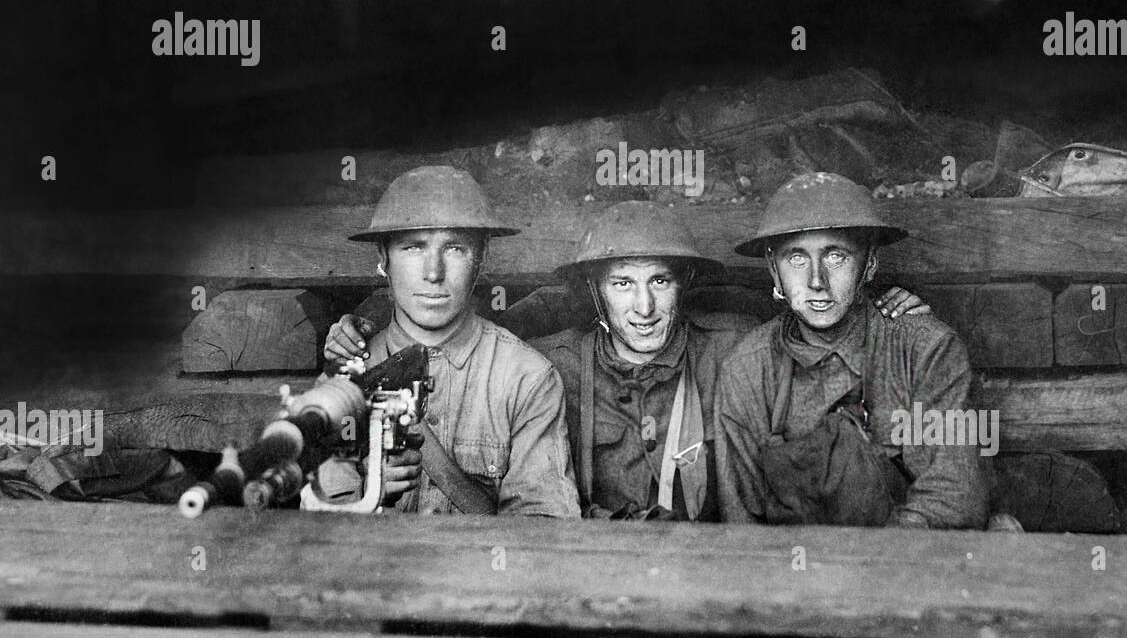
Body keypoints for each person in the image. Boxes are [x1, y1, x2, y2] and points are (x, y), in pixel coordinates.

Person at [325, 198, 930, 520]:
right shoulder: (552, 364)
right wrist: (363, 328)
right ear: (593, 293)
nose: (642, 307)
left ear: (685, 284)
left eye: (660, 282)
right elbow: (463, 323)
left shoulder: (738, 354)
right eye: (621, 285)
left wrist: (880, 308)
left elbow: (811, 330)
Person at [716, 171, 991, 529]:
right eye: (797, 258)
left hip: (908, 566)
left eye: (836, 256)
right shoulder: (748, 368)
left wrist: (862, 564)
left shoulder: (926, 350)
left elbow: (956, 495)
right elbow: (741, 520)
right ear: (773, 268)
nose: (816, 281)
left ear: (870, 263)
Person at [311, 166, 580, 517]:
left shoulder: (527, 379)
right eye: (413, 248)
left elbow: (541, 532)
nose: (433, 272)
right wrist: (369, 495)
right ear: (383, 258)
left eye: (455, 248)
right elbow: (319, 531)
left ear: (481, 257)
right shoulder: (343, 381)